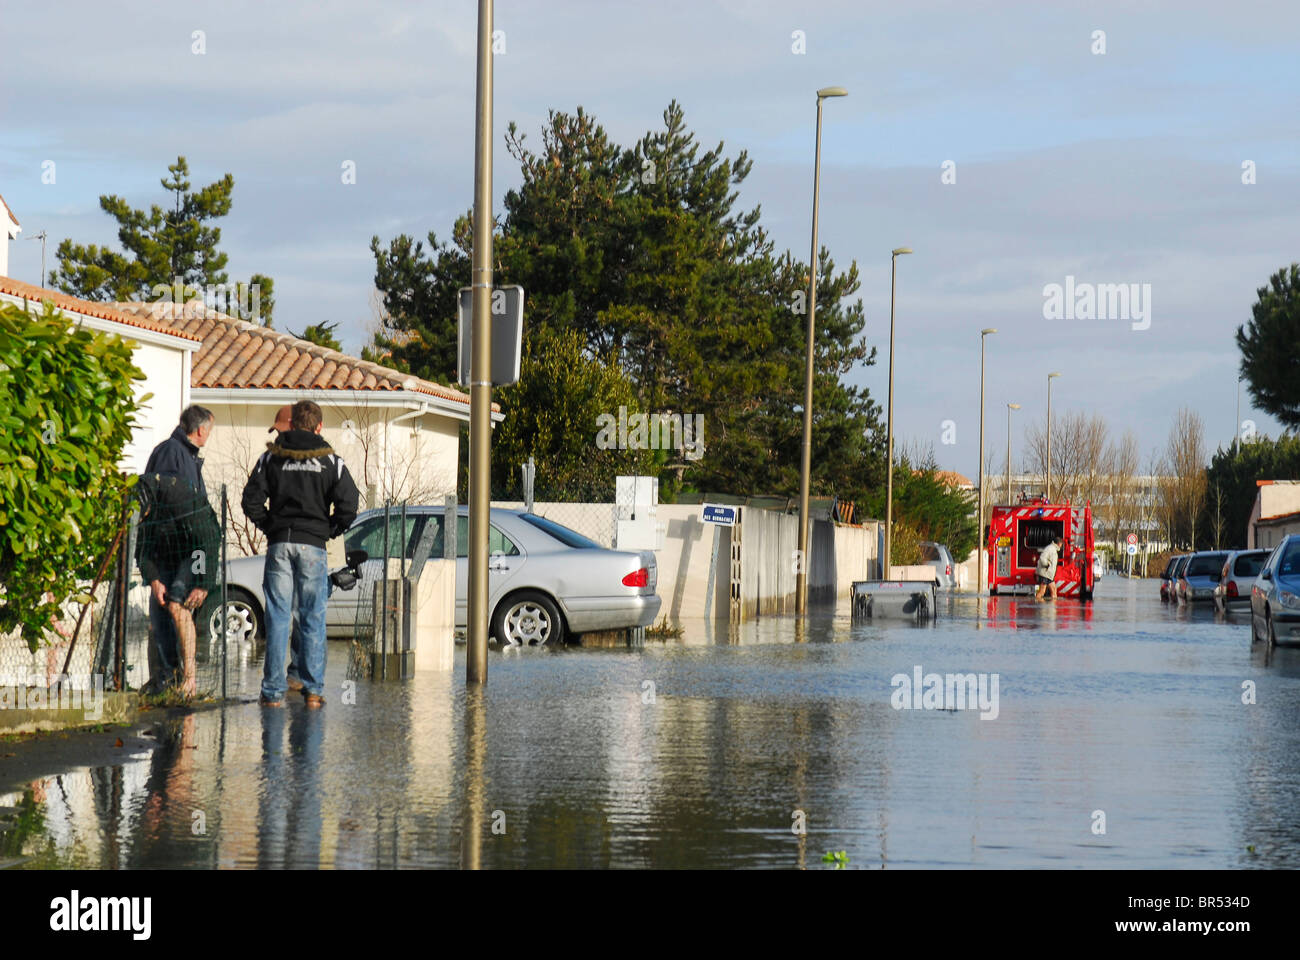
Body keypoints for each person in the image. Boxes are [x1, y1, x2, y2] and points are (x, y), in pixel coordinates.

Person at [242, 400, 359, 708]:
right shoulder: (331, 461)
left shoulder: (271, 458)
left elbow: (250, 500)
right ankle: (313, 690)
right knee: (312, 617)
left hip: (280, 544)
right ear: (319, 427)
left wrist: (271, 527)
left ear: (292, 424)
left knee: (278, 616)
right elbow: (349, 505)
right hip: (313, 547)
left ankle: (272, 691)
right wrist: (329, 530)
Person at [140, 405, 217, 696]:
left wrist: (203, 579)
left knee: (174, 606)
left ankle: (182, 680)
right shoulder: (174, 457)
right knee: (167, 610)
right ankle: (173, 681)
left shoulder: (184, 456)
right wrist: (153, 574)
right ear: (200, 431)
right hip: (177, 550)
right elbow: (163, 513)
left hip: (187, 551)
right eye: (209, 431)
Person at [1034, 535, 1062, 601]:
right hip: (1045, 573)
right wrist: (1047, 565)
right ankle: (1038, 606)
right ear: (1059, 543)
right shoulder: (1050, 548)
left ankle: (1052, 609)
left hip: (1049, 575)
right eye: (1061, 543)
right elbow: (1042, 558)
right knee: (1042, 591)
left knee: (1054, 590)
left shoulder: (1053, 549)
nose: (1061, 545)